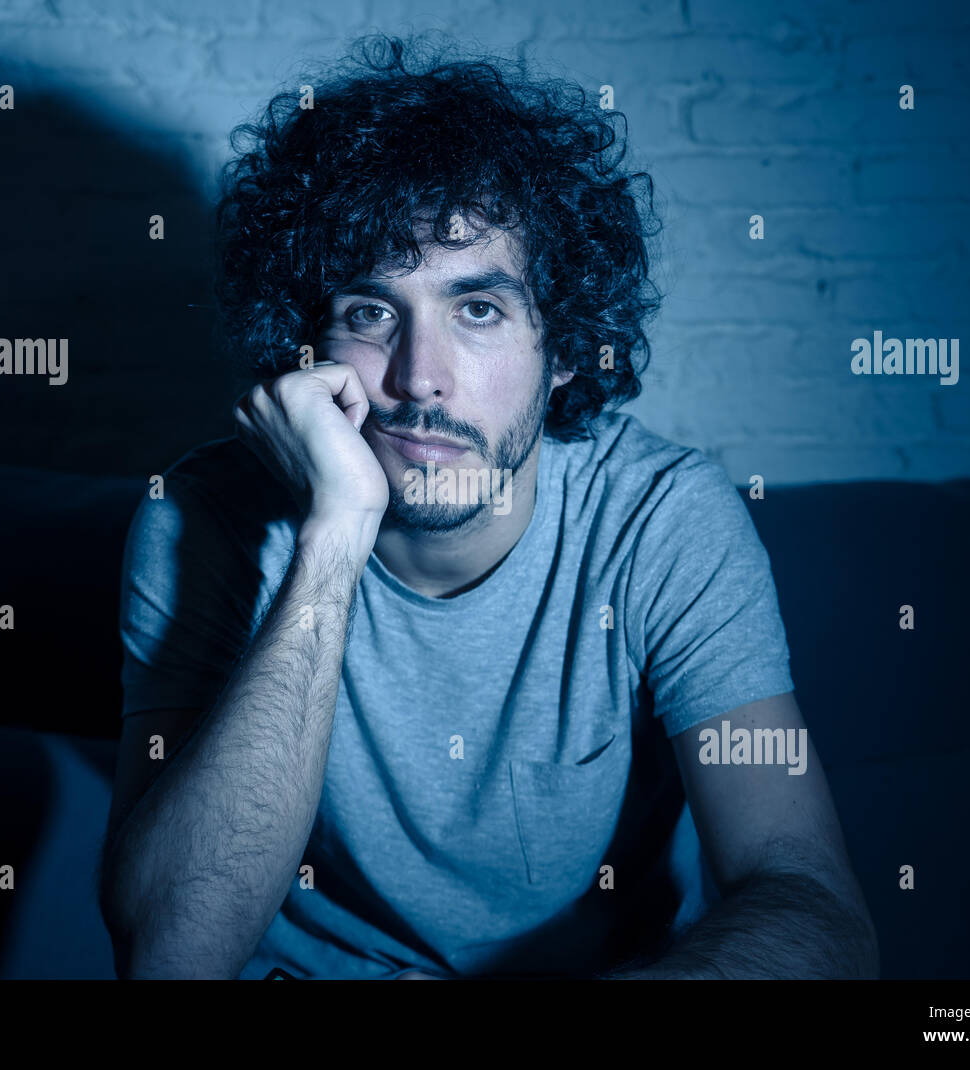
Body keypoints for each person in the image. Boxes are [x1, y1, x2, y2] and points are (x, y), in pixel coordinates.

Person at [98, 34, 878, 980]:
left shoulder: (663, 521)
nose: (419, 379)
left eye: (478, 310)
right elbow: (172, 954)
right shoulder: (202, 520)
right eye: (371, 312)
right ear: (306, 346)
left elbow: (815, 908)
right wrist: (334, 535)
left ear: (562, 350)